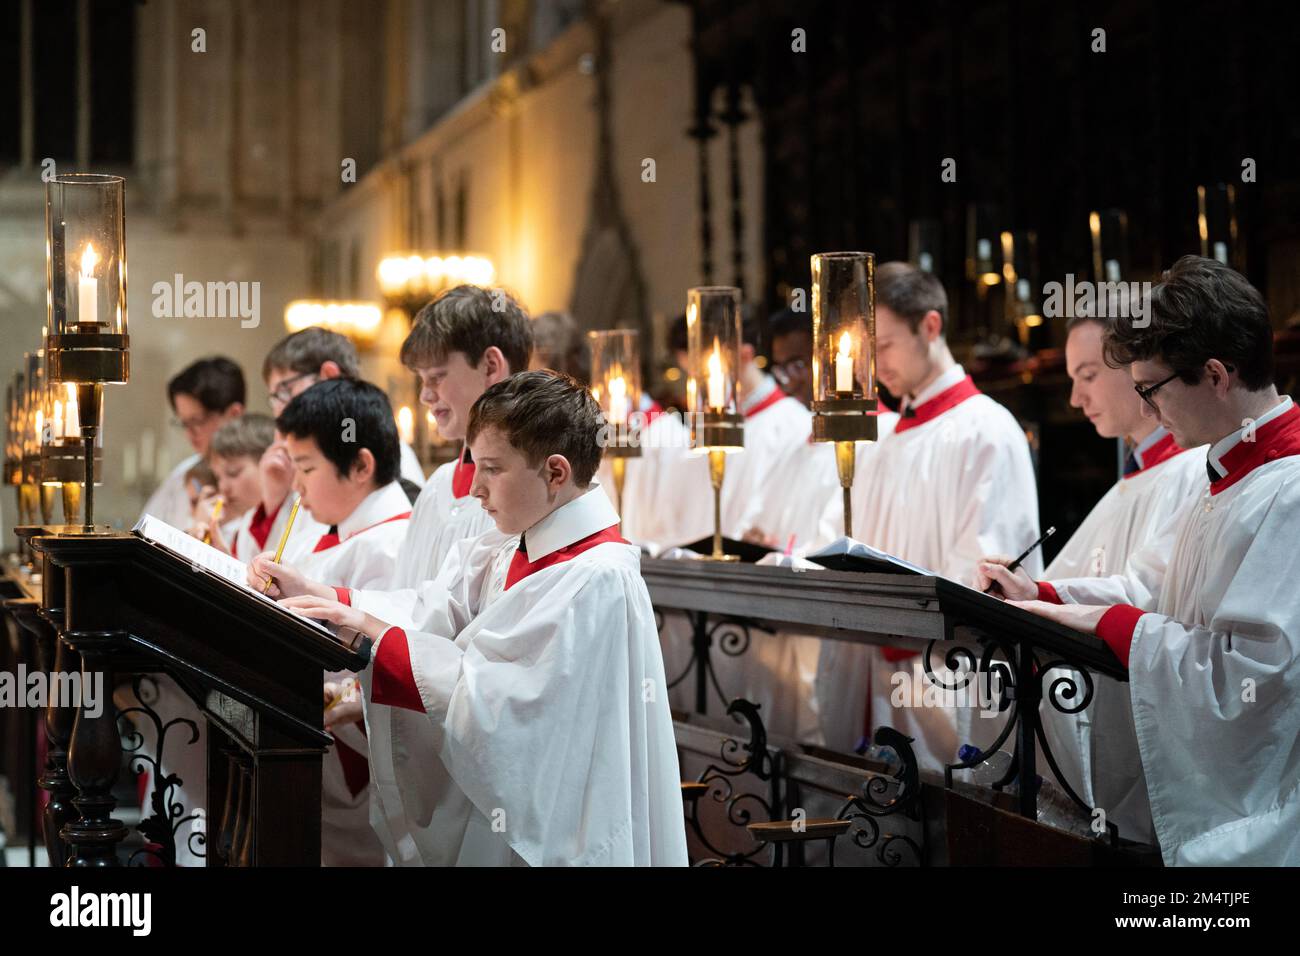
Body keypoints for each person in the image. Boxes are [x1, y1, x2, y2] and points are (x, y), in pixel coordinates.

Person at [279, 371, 688, 866]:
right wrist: (323, 596)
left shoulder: (598, 579)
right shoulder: (509, 542)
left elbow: (514, 707)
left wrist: (372, 641)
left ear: (556, 473)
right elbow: (431, 611)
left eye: (492, 468)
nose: (474, 488)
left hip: (563, 824)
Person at [977, 256, 1300, 866]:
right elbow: (1151, 592)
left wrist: (1112, 627)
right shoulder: (1227, 475)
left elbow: (1252, 683)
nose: (1147, 411)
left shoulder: (1288, 491)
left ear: (1215, 375)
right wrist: (1043, 598)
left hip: (1267, 829)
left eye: (1151, 390)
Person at [814, 262, 1041, 768]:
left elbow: (990, 573)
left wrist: (902, 627)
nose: (877, 364)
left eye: (887, 345)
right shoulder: (890, 436)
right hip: (881, 672)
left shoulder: (986, 429)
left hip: (945, 679)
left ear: (931, 327)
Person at [1036, 305, 1207, 844]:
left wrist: (1042, 595)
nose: (1074, 399)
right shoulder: (1133, 480)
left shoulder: (1188, 470)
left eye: (1087, 376)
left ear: (1136, 368)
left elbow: (1146, 595)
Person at [256, 377, 413, 866]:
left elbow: (380, 653)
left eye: (306, 467)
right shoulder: (336, 526)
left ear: (361, 464)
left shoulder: (391, 542)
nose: (296, 486)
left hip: (348, 750)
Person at [263, 326, 426, 489]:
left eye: (285, 391)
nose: (279, 413)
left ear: (328, 376)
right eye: (274, 399)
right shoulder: (303, 456)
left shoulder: (384, 451)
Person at [142, 357, 245, 529]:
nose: (189, 433)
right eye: (184, 423)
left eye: (197, 421)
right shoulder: (180, 476)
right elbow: (145, 531)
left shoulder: (257, 478)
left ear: (234, 414)